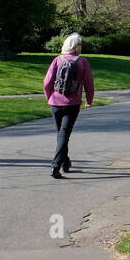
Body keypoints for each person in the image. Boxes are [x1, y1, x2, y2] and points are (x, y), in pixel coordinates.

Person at [43, 34, 95, 179]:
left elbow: (47, 82)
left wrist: (50, 97)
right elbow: (88, 83)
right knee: (64, 134)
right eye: (80, 45)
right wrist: (88, 99)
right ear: (77, 46)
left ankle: (66, 162)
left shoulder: (57, 60)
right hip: (72, 104)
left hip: (55, 103)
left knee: (61, 134)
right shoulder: (82, 62)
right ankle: (55, 166)